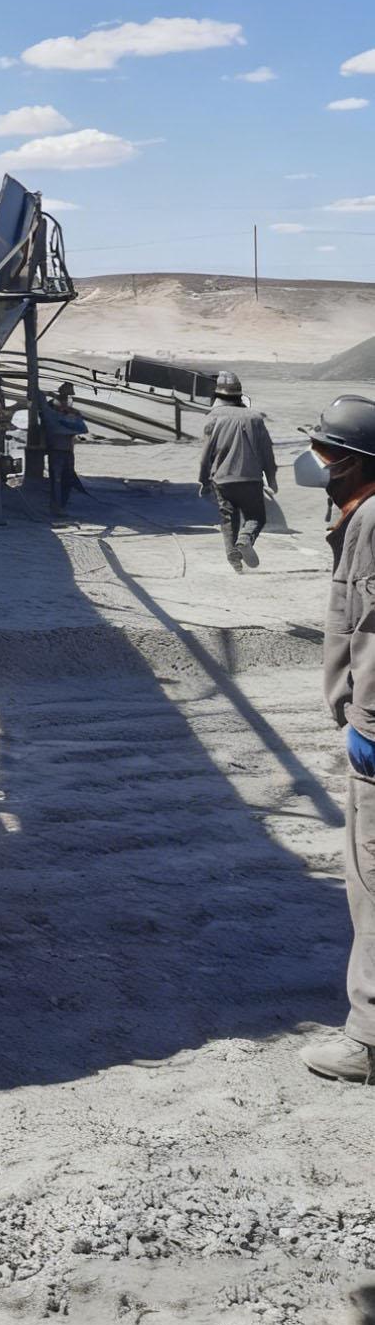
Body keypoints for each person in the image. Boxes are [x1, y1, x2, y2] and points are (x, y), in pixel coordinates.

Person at [300, 393, 375, 1083]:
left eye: (325, 454)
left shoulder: (373, 520)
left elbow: (372, 632)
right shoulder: (361, 513)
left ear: (353, 462)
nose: (316, 464)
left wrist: (367, 725)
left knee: (371, 880)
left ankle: (368, 1042)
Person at [197, 369, 278, 569]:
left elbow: (205, 456)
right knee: (256, 517)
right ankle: (245, 538)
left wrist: (203, 481)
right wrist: (271, 479)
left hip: (222, 479)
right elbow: (267, 452)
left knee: (228, 519)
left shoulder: (212, 417)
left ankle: (234, 558)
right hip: (250, 478)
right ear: (239, 395)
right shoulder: (255, 418)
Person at [41, 382, 87, 516]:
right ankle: (56, 506)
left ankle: (61, 505)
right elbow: (49, 421)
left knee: (67, 479)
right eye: (64, 397)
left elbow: (80, 426)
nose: (66, 400)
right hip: (56, 449)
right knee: (56, 479)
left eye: (68, 397)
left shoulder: (71, 413)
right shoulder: (51, 411)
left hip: (67, 450)